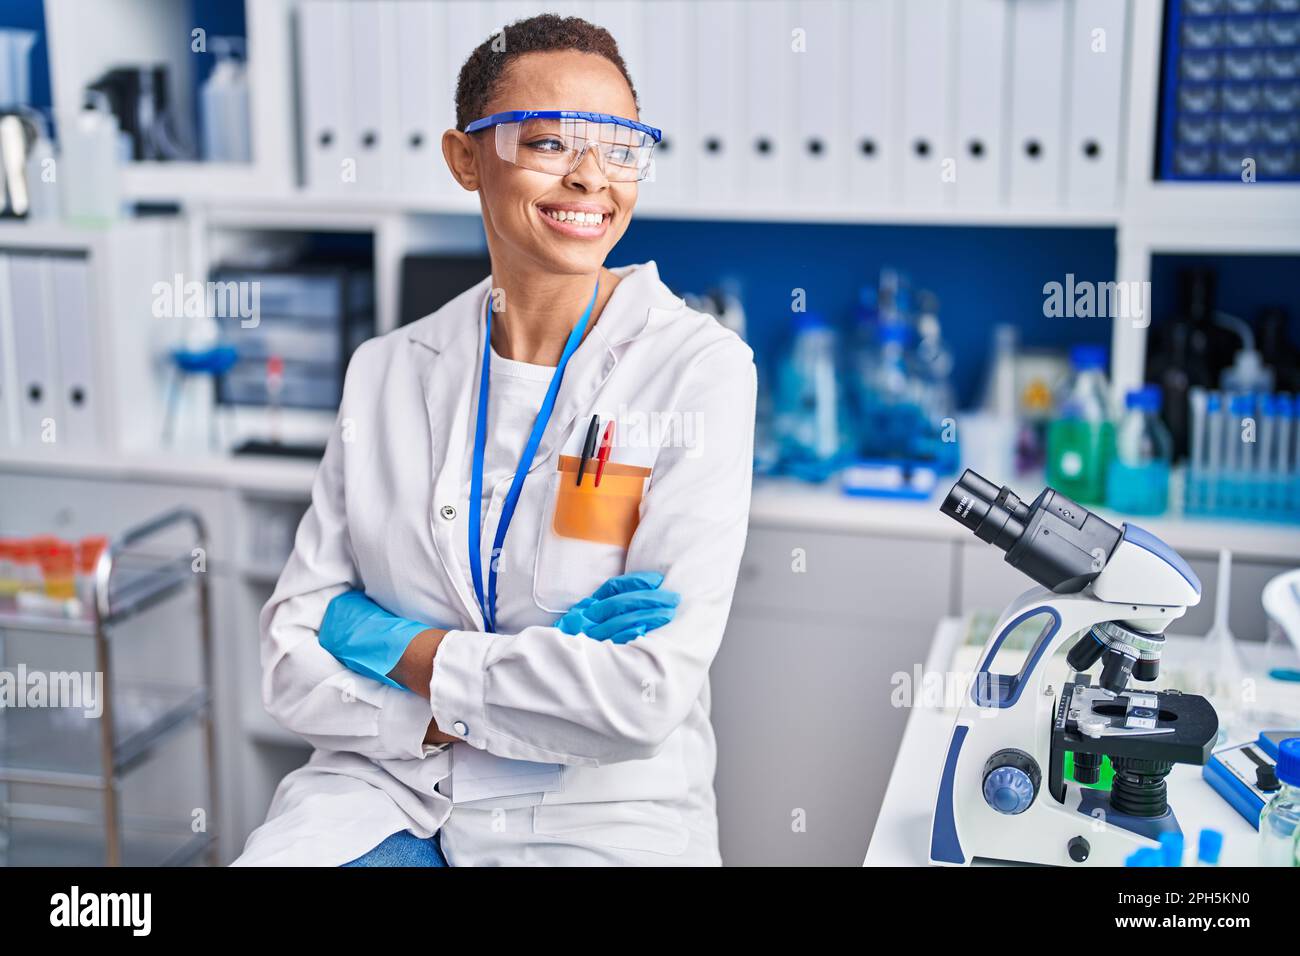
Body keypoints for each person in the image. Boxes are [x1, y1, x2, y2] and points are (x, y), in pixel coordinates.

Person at [233, 14, 755, 867]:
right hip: (385, 785)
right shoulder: (386, 371)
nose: (592, 179)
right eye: (550, 141)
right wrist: (491, 692)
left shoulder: (697, 370)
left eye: (622, 148)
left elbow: (642, 696)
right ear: (465, 157)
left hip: (593, 811)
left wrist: (401, 649)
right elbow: (292, 650)